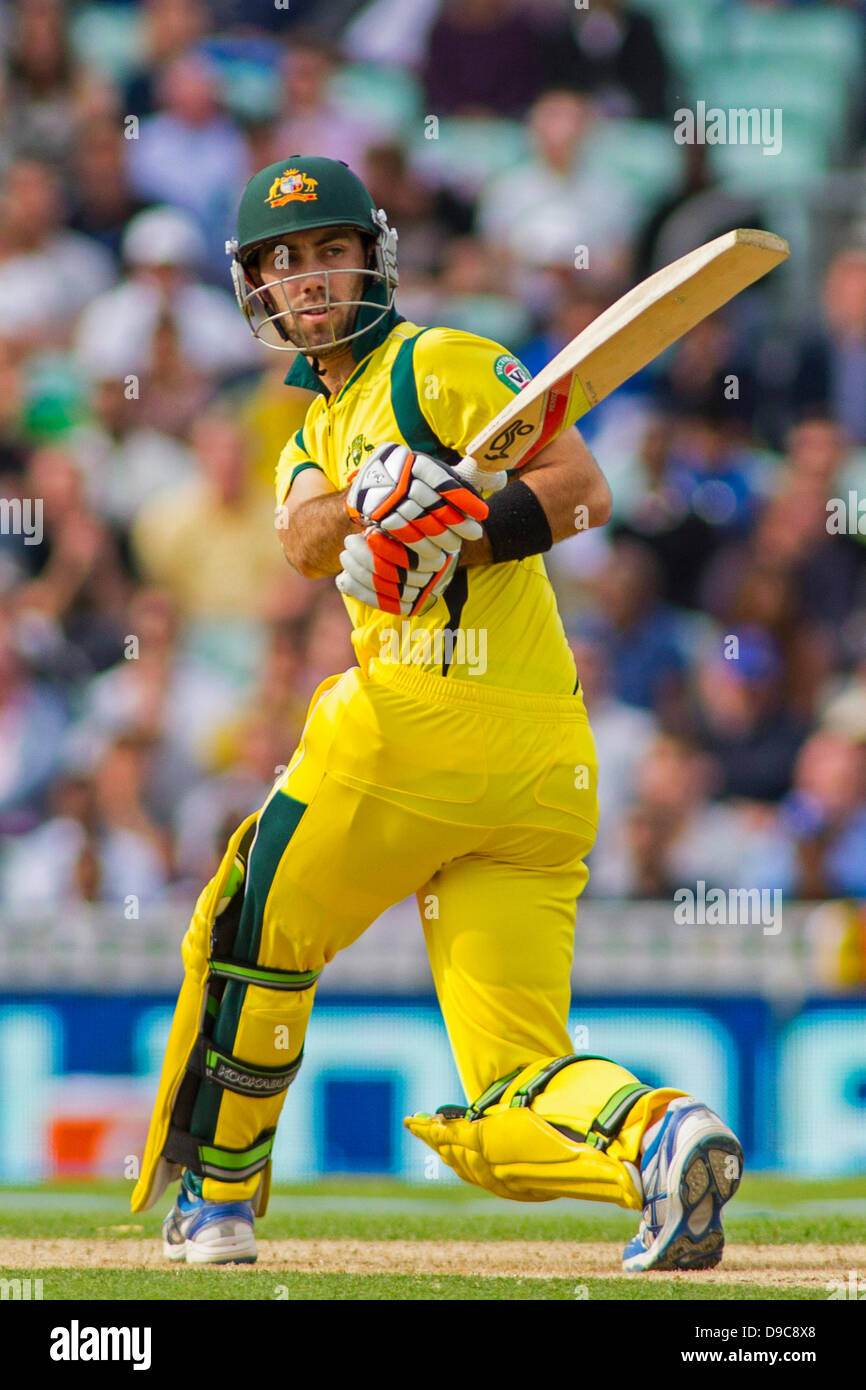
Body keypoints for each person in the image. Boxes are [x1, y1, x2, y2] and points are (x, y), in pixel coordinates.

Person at [131, 155, 743, 1273]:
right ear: (256, 287)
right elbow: (304, 537)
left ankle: (217, 1203)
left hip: (418, 723)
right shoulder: (312, 433)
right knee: (506, 1096)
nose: (308, 278)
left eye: (328, 251)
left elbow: (580, 488)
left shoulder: (438, 362)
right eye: (284, 261)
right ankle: (654, 1136)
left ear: (374, 258)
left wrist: (466, 521)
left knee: (249, 928)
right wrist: (373, 511)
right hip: (543, 765)